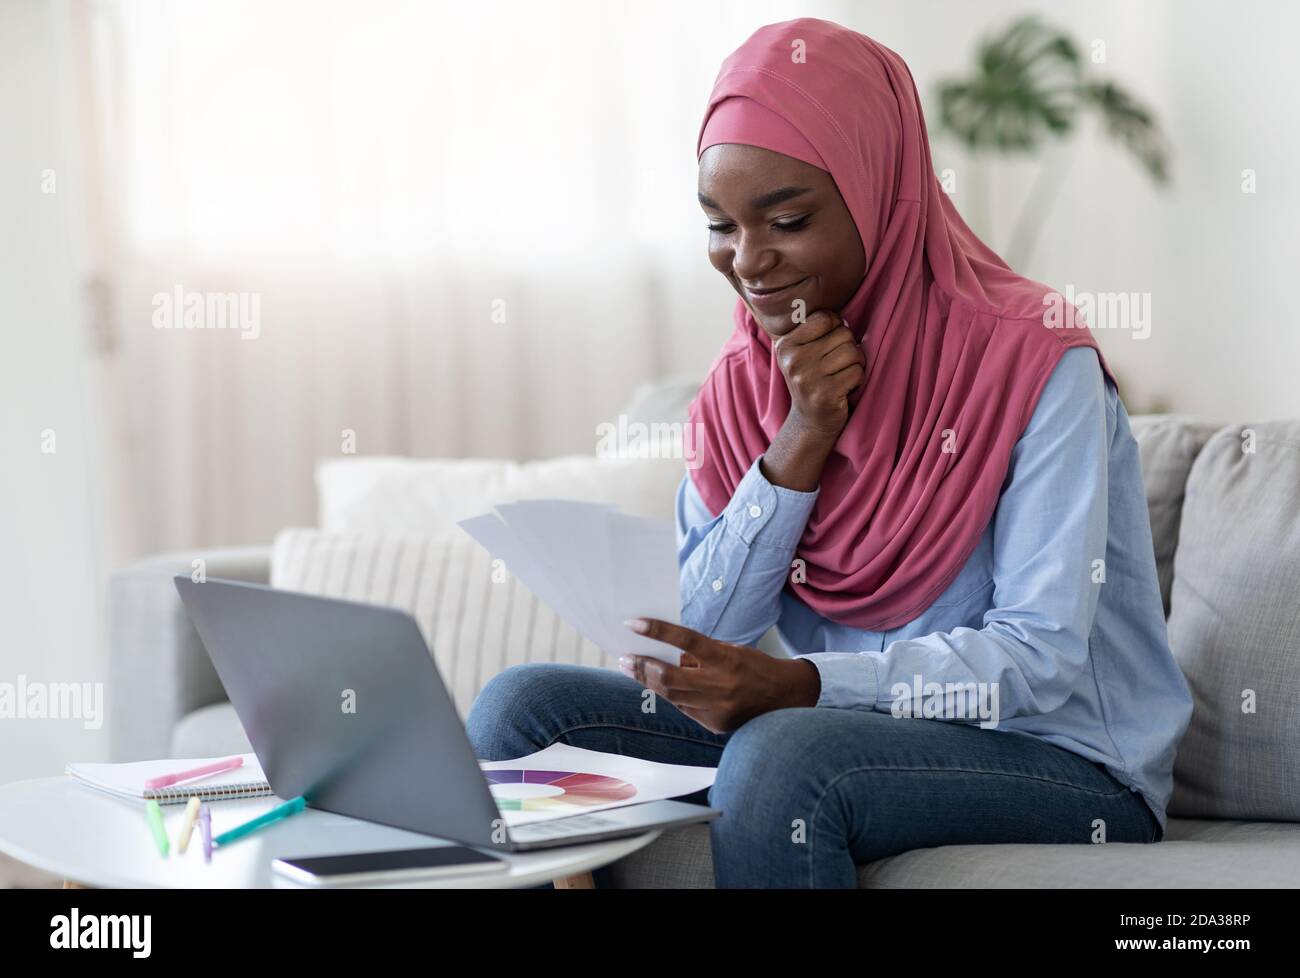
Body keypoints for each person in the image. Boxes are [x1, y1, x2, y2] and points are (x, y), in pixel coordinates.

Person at [467, 17, 1193, 888]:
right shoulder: (743, 384)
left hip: (1058, 758)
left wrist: (805, 685)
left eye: (787, 219)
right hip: (829, 724)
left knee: (781, 759)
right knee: (522, 711)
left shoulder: (1032, 360)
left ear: (879, 191)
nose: (749, 261)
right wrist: (800, 441)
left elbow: (1038, 660)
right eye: (720, 226)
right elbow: (708, 640)